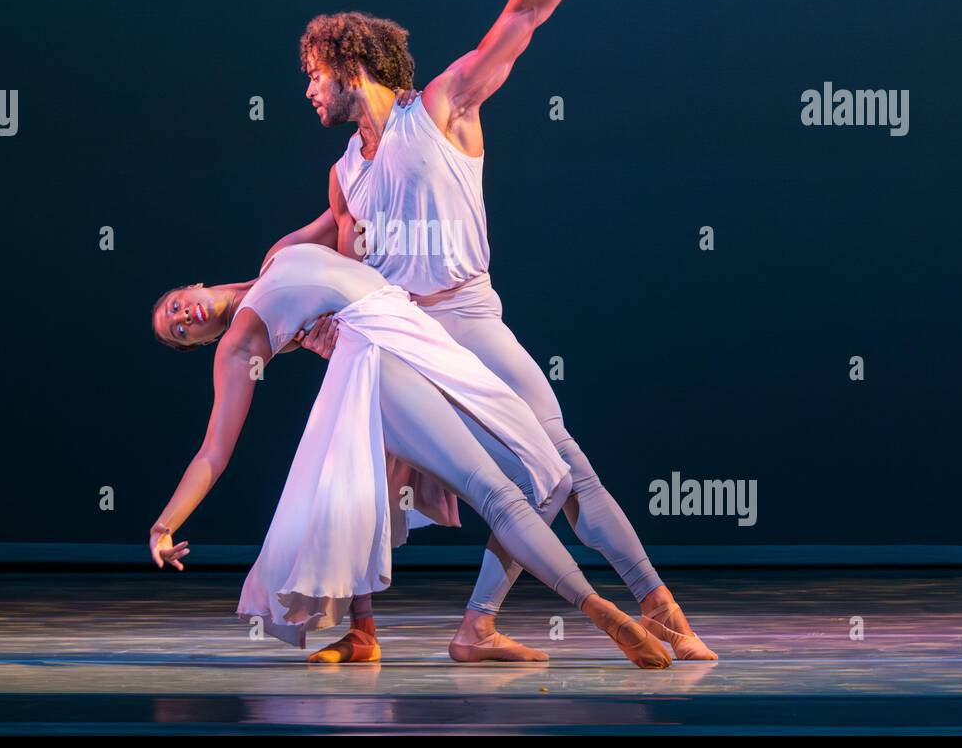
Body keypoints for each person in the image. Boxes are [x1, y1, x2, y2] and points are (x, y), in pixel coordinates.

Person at [267, 0, 716, 663]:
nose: (307, 91)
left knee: (559, 470)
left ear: (349, 66)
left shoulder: (443, 106)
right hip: (403, 344)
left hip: (470, 317)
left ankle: (639, 605)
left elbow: (523, 14)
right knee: (362, 479)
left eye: (313, 75)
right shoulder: (344, 174)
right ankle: (370, 631)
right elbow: (315, 257)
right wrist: (242, 301)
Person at [147, 243, 673, 669]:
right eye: (179, 332)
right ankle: (603, 612)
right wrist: (164, 527)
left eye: (175, 307)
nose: (183, 318)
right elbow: (213, 453)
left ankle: (448, 628)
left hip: (418, 332)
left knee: (548, 475)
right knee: (494, 492)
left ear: (192, 285)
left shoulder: (277, 255)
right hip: (375, 355)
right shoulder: (237, 348)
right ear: (199, 341)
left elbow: (351, 198)